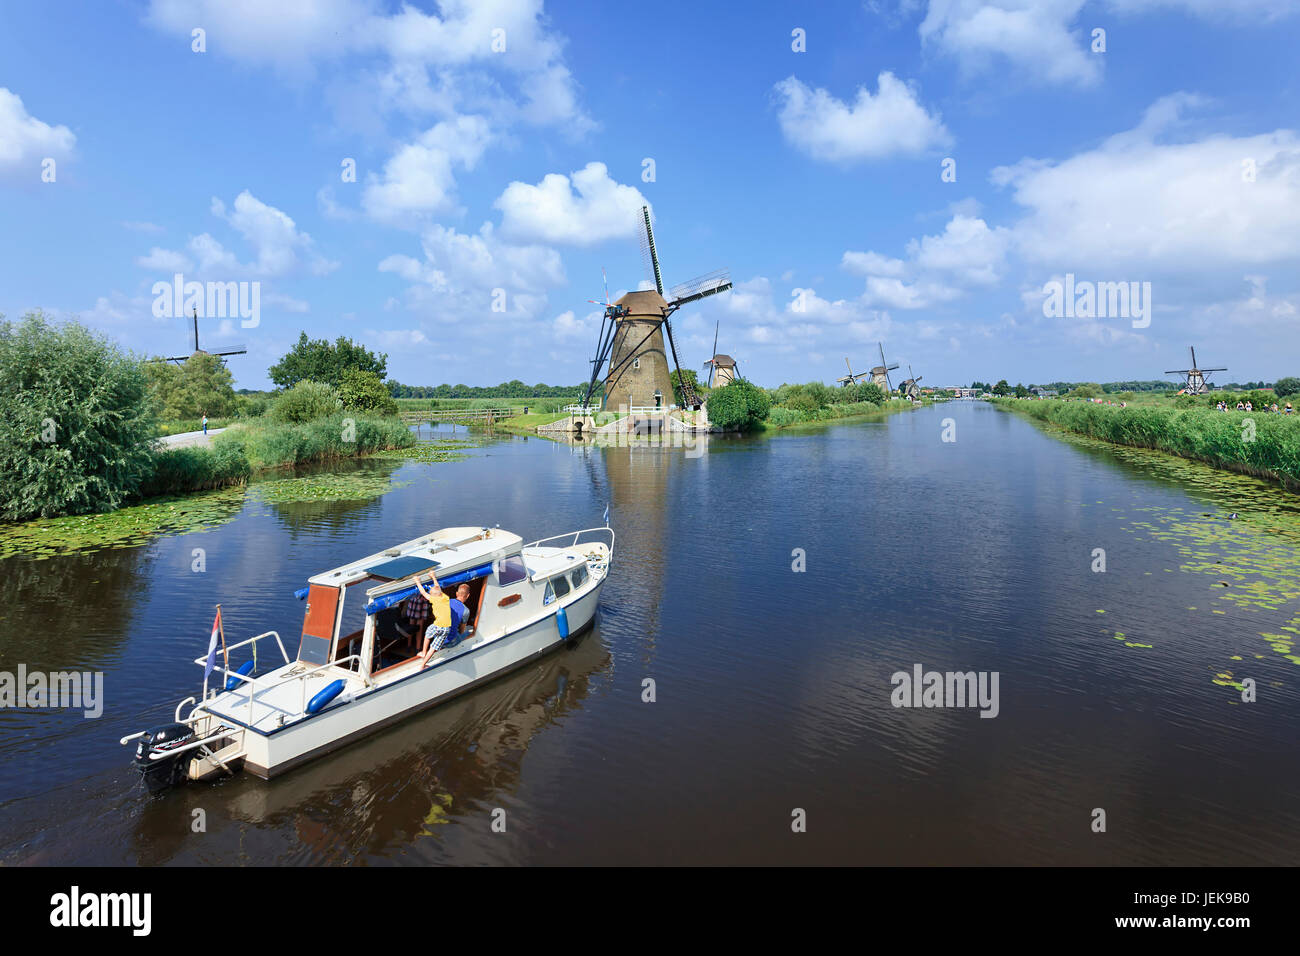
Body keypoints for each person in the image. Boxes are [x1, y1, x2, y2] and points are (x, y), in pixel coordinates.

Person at [414, 571, 453, 666]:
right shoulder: (445, 598)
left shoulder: (433, 599)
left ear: (432, 596)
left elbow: (423, 592)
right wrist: (433, 577)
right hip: (446, 628)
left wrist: (417, 582)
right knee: (433, 648)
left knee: (428, 634)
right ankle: (423, 664)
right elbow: (438, 587)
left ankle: (423, 652)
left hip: (438, 625)